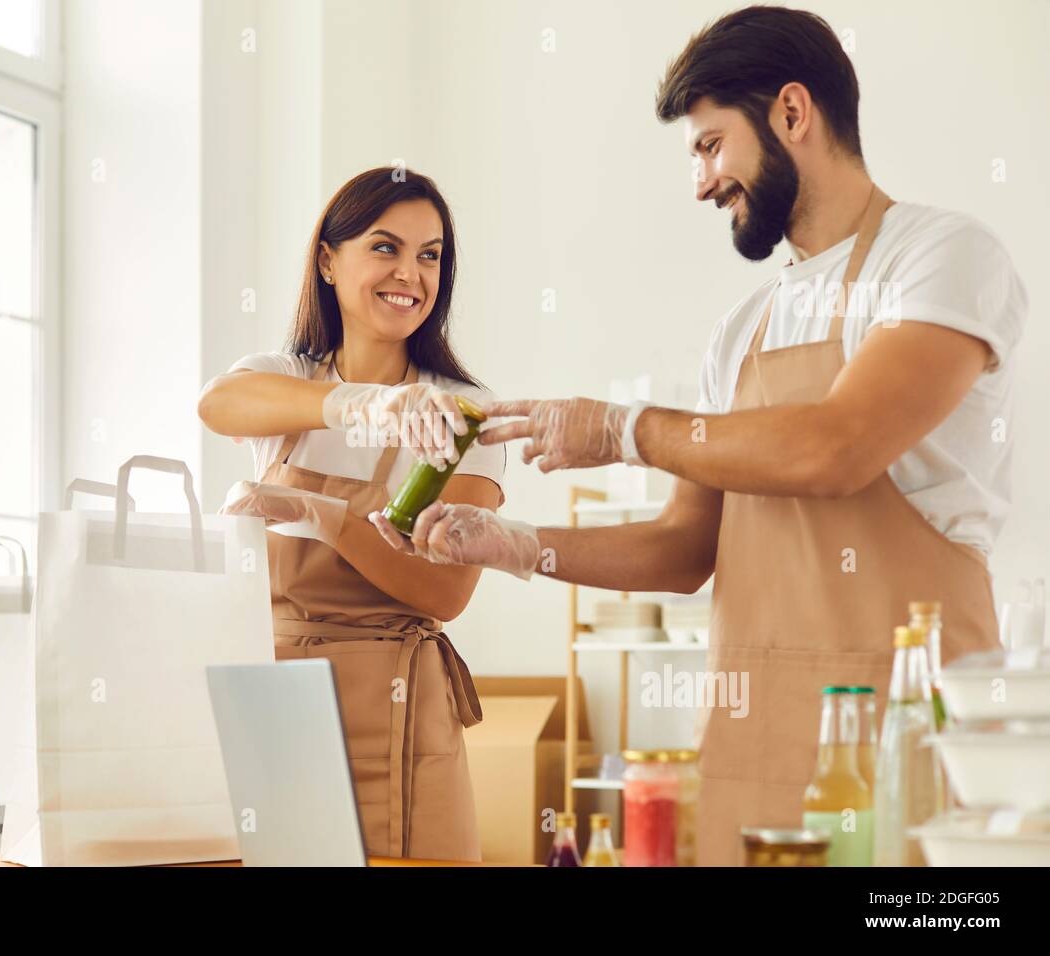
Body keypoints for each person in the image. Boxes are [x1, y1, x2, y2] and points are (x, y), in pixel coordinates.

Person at [368, 6, 1026, 865]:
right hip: (752, 742)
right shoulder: (742, 328)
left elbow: (836, 447)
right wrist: (516, 545)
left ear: (793, 113)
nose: (701, 183)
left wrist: (621, 429)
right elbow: (687, 548)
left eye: (711, 145)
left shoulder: (940, 256)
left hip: (904, 739)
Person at [198, 166, 506, 861]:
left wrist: (319, 511)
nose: (412, 273)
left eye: (431, 256)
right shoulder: (286, 379)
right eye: (386, 247)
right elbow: (217, 404)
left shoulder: (462, 415)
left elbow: (445, 590)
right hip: (274, 708)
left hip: (401, 713)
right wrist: (357, 403)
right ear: (329, 260)